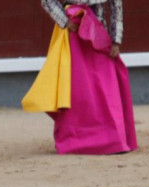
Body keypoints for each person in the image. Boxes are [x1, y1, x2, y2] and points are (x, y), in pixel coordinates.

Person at [27, 0, 137, 154]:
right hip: (73, 33)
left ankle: (113, 140)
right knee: (77, 90)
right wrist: (65, 21)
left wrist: (115, 40)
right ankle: (76, 141)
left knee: (104, 88)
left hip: (99, 32)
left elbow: (115, 4)